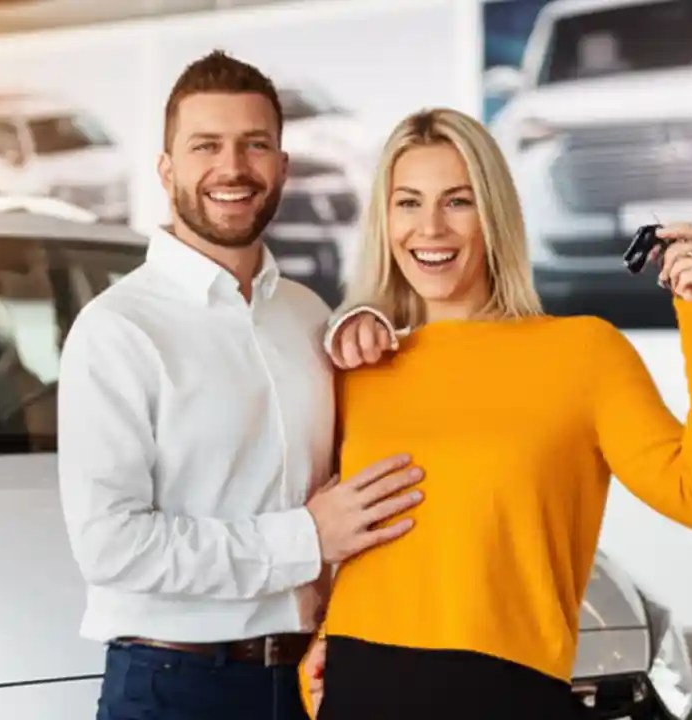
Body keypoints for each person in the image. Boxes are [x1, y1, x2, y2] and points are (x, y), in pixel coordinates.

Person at [299, 107, 692, 718]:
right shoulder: (359, 362)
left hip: (508, 693)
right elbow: (345, 533)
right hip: (361, 683)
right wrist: (324, 633)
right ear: (384, 219)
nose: (429, 227)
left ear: (495, 215)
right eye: (408, 202)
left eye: (457, 202)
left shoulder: (582, 353)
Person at [56, 50, 425, 720]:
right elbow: (111, 546)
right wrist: (305, 539)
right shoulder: (116, 330)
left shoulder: (311, 316)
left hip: (309, 677)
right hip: (177, 685)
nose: (233, 168)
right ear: (167, 169)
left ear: (282, 166)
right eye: (207, 146)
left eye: (255, 145)